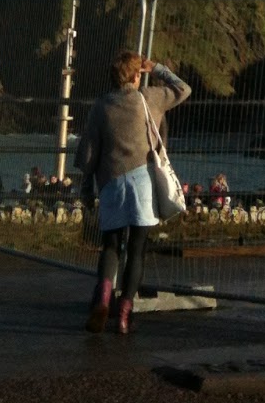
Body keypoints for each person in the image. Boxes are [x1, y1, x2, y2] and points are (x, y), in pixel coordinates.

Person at [75, 52, 190, 334]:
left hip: (112, 182)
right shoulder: (148, 98)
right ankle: (125, 314)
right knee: (137, 250)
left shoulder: (101, 105)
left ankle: (102, 301)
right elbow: (183, 89)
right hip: (143, 182)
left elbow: (89, 151)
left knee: (111, 247)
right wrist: (158, 68)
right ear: (137, 75)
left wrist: (86, 186)